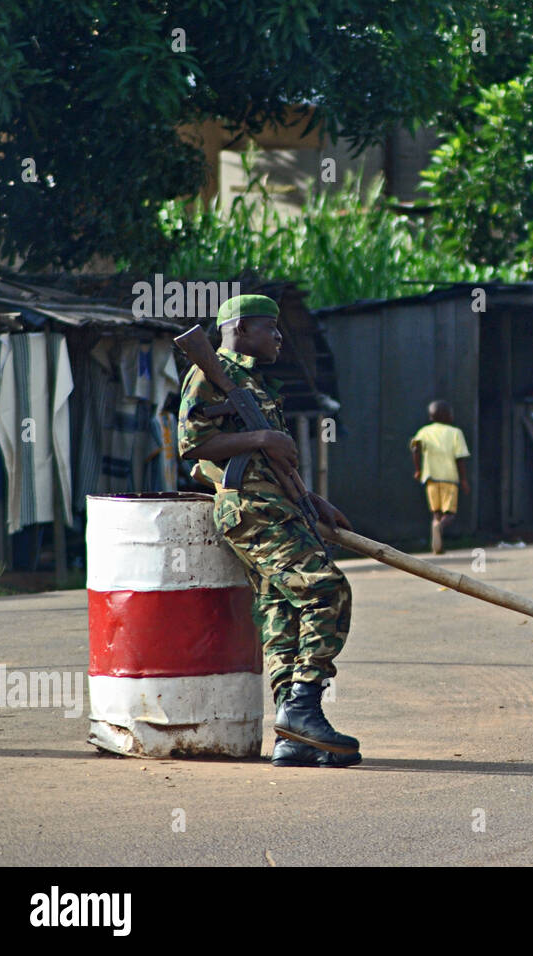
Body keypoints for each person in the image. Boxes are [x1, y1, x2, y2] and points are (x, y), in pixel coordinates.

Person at [177, 294, 360, 769]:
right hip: (250, 509)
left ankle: (294, 736)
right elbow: (191, 445)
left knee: (283, 608)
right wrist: (260, 436)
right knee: (326, 590)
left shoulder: (255, 383)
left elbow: (272, 461)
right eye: (269, 328)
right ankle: (303, 708)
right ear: (238, 330)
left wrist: (312, 500)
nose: (278, 336)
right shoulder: (210, 372)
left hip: (279, 506)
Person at [410, 401, 471, 554]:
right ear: (446, 416)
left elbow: (415, 449)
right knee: (449, 513)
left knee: (436, 512)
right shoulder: (455, 432)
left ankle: (437, 545)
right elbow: (460, 458)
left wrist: (418, 469)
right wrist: (463, 480)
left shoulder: (424, 431)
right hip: (449, 478)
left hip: (430, 477)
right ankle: (440, 527)